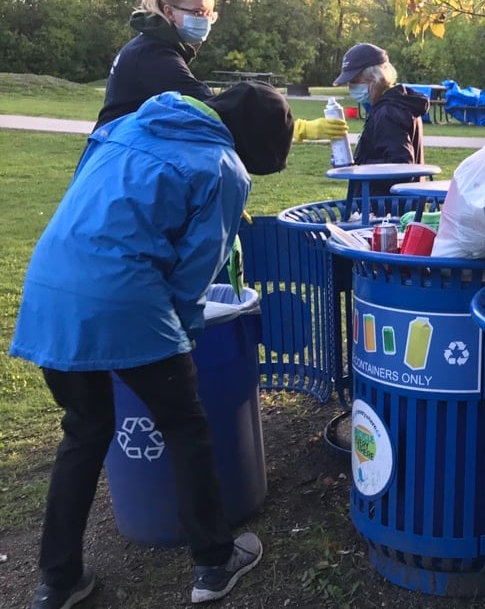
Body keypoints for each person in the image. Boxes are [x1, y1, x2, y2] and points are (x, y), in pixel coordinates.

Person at [10, 81, 294, 609]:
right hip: (126, 295)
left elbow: (87, 202)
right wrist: (183, 340)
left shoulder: (129, 125)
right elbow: (195, 274)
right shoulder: (222, 165)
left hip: (50, 288)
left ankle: (58, 581)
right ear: (255, 146)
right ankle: (214, 562)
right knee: (185, 426)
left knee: (84, 431)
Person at [94, 0, 344, 143]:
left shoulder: (153, 47)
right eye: (197, 13)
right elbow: (212, 109)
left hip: (121, 150)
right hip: (115, 158)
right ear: (169, 11)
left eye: (208, 14)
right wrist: (299, 130)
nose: (203, 20)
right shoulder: (154, 56)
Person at [333, 42, 429, 195]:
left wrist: (358, 167)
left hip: (386, 208)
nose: (351, 87)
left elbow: (402, 166)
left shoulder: (388, 112)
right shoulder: (395, 104)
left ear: (375, 78)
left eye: (355, 81)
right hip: (393, 204)